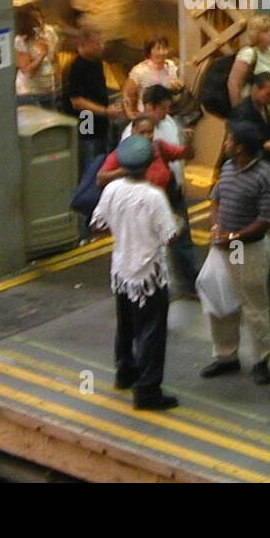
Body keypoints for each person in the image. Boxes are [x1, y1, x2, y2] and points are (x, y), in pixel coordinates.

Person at [90, 133, 180, 411]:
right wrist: (179, 223)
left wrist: (123, 226)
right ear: (149, 162)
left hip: (121, 270)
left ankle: (125, 372)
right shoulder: (153, 196)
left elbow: (97, 224)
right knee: (152, 332)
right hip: (148, 274)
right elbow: (169, 236)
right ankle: (148, 391)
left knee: (126, 326)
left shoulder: (112, 189)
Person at [201, 120, 270, 385]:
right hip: (223, 246)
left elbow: (267, 218)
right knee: (218, 299)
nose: (225, 144)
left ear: (241, 148)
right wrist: (216, 228)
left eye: (230, 140)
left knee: (254, 304)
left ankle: (261, 359)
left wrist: (233, 236)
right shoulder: (227, 167)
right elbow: (216, 198)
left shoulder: (266, 175)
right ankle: (226, 355)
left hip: (248, 247)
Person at [129, 84, 198, 296]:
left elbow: (180, 154)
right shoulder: (132, 132)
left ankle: (189, 284)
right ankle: (153, 286)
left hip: (172, 189)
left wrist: (182, 178)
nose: (166, 113)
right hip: (148, 196)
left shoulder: (169, 124)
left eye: (168, 108)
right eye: (162, 109)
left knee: (181, 237)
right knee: (152, 243)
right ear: (149, 106)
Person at [64, 26, 118, 174]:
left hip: (101, 122)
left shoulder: (96, 63)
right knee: (90, 159)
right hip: (86, 120)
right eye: (97, 43)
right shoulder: (76, 67)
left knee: (102, 157)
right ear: (84, 44)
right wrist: (105, 111)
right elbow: (77, 101)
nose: (101, 46)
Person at [229, 71, 270, 171]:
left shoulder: (265, 108)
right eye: (269, 94)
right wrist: (263, 144)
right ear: (255, 89)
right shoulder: (243, 111)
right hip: (253, 165)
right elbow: (240, 135)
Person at [227, 14, 270, 109]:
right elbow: (233, 83)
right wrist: (238, 110)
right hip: (249, 106)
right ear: (255, 34)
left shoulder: (269, 51)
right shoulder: (249, 53)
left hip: (264, 106)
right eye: (265, 31)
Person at [122, 36, 183, 119]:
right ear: (149, 51)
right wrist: (130, 113)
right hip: (147, 117)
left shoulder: (172, 66)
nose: (161, 52)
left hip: (169, 115)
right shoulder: (139, 71)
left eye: (164, 48)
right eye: (157, 49)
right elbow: (128, 93)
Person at [13, 3, 59, 109]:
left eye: (41, 17)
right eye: (35, 20)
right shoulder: (21, 41)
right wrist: (41, 55)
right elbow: (28, 72)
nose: (40, 22)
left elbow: (55, 59)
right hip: (29, 92)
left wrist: (57, 82)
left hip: (48, 89)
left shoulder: (49, 32)